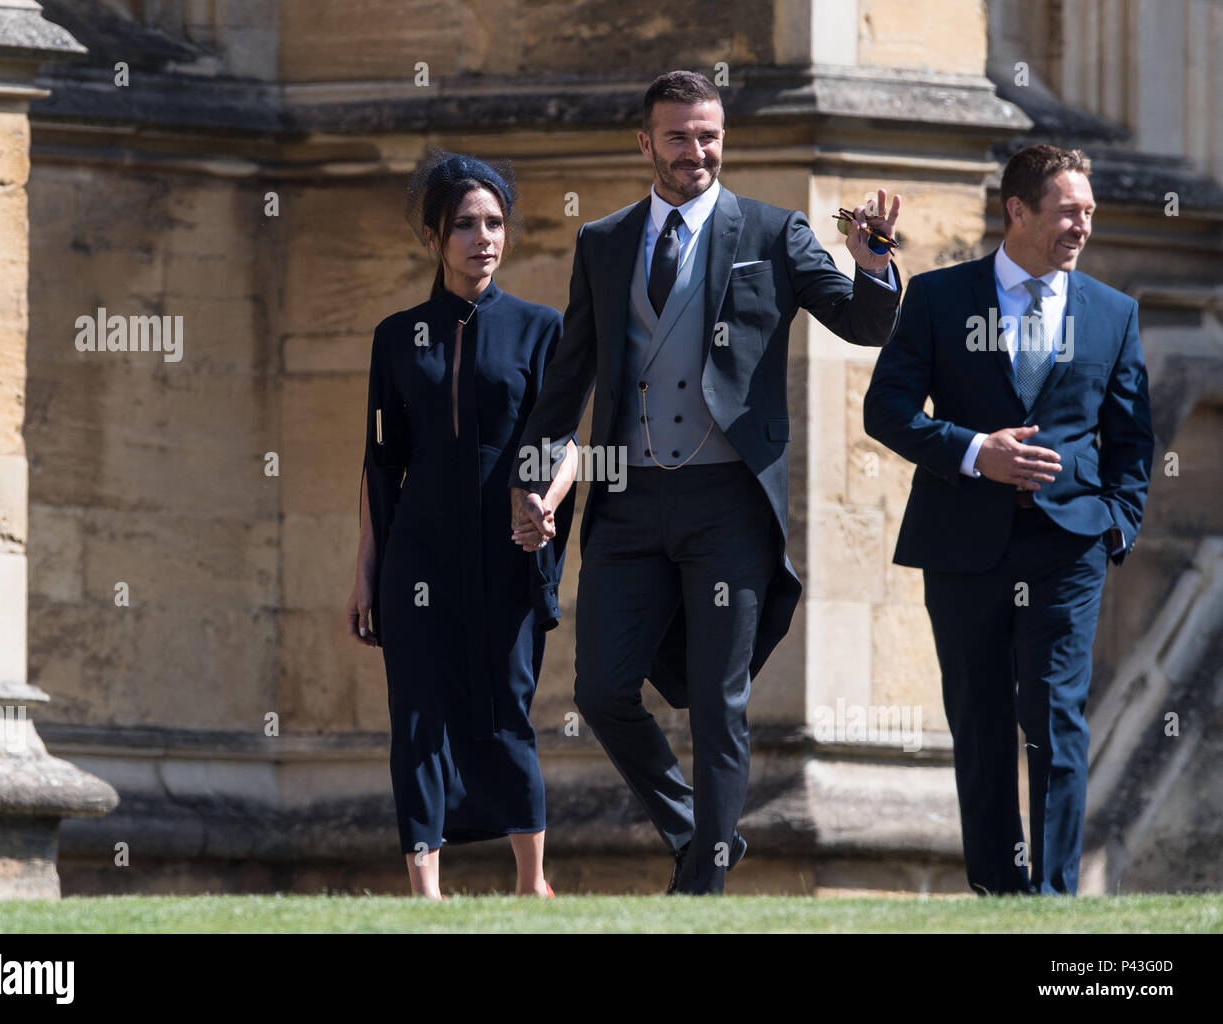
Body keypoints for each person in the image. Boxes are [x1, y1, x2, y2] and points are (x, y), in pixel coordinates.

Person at [507, 70, 903, 894]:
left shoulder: (774, 232)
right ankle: (698, 833)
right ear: (645, 142)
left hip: (728, 502)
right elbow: (569, 377)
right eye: (681, 136)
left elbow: (863, 323)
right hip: (628, 499)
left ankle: (705, 888)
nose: (698, 151)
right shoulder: (603, 242)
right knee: (603, 690)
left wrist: (874, 264)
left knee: (720, 703)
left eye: (711, 135)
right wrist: (533, 478)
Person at [863, 144, 1154, 895]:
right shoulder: (936, 298)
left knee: (1056, 713)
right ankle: (999, 891)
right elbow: (886, 411)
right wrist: (970, 452)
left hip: (1069, 546)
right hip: (963, 545)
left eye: (1088, 212)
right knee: (980, 717)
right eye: (1067, 211)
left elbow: (1131, 438)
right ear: (1016, 211)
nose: (1081, 226)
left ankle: (1053, 896)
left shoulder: (1114, 312)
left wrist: (1119, 522)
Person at [347, 148, 579, 898]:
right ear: (433, 237)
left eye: (496, 223)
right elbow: (381, 463)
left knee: (505, 702)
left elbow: (572, 444)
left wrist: (546, 502)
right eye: (466, 226)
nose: (484, 238)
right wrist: (364, 574)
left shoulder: (544, 330)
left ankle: (531, 881)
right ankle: (425, 888)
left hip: (508, 547)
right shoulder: (396, 336)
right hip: (417, 552)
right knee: (416, 707)